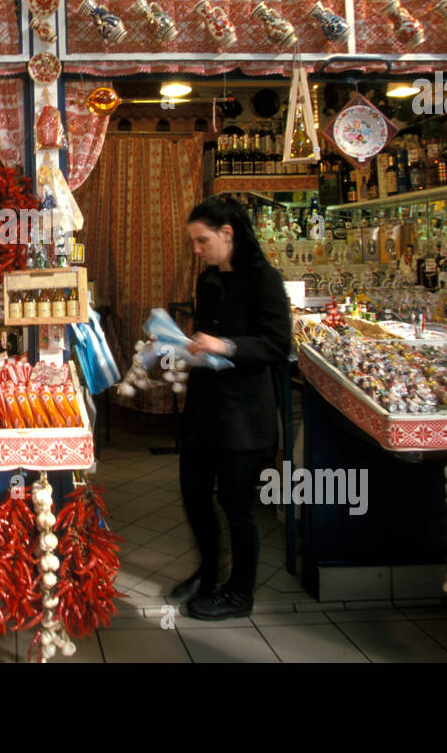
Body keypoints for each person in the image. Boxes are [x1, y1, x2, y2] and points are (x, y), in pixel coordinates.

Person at [171, 194, 292, 620]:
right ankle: (209, 573)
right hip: (205, 409)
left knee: (237, 505)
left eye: (203, 241)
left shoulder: (264, 280)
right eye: (194, 242)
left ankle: (240, 593)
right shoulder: (209, 280)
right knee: (195, 494)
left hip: (244, 415)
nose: (198, 250)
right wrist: (182, 349)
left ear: (228, 233)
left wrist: (227, 346)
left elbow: (278, 345)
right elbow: (207, 336)